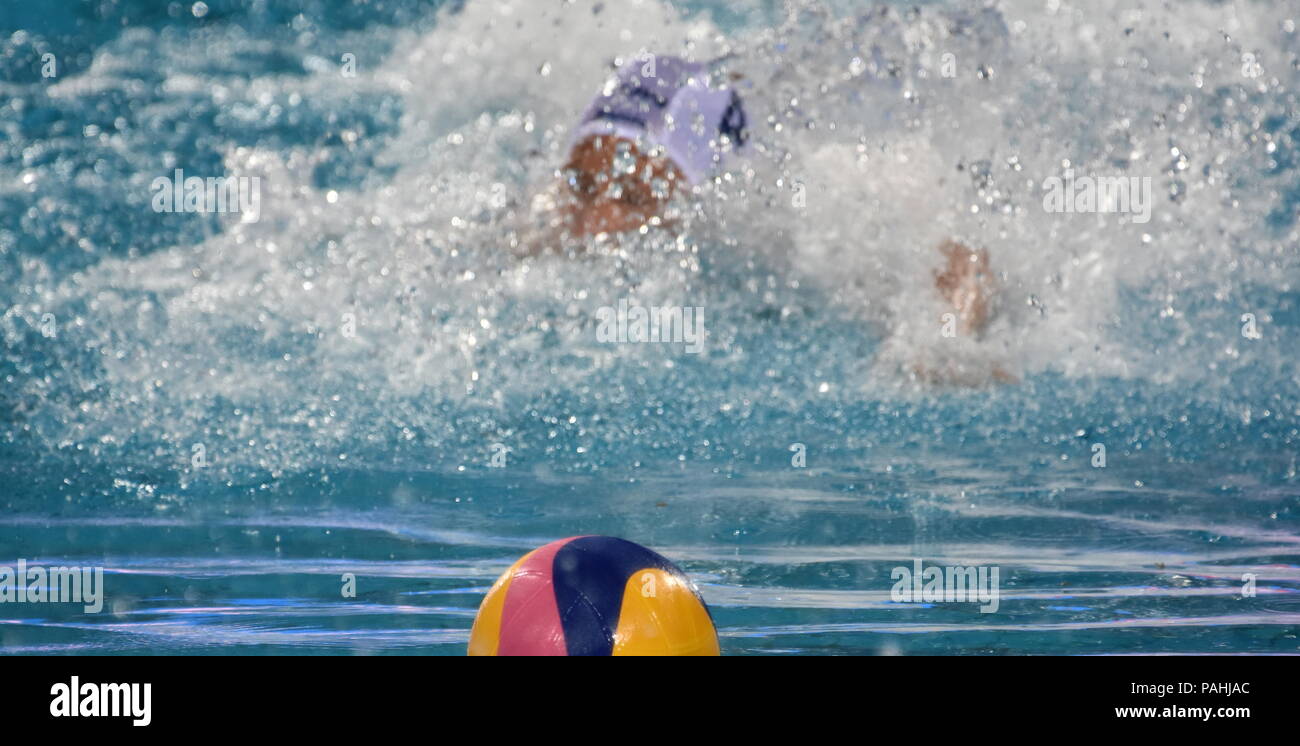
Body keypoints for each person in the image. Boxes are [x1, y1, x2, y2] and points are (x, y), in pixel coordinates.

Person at [530, 54, 1009, 384]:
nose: (594, 223)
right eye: (582, 183)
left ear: (700, 185)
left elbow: (963, 251)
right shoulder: (560, 216)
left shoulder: (789, 223)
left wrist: (948, 340)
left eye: (636, 197)